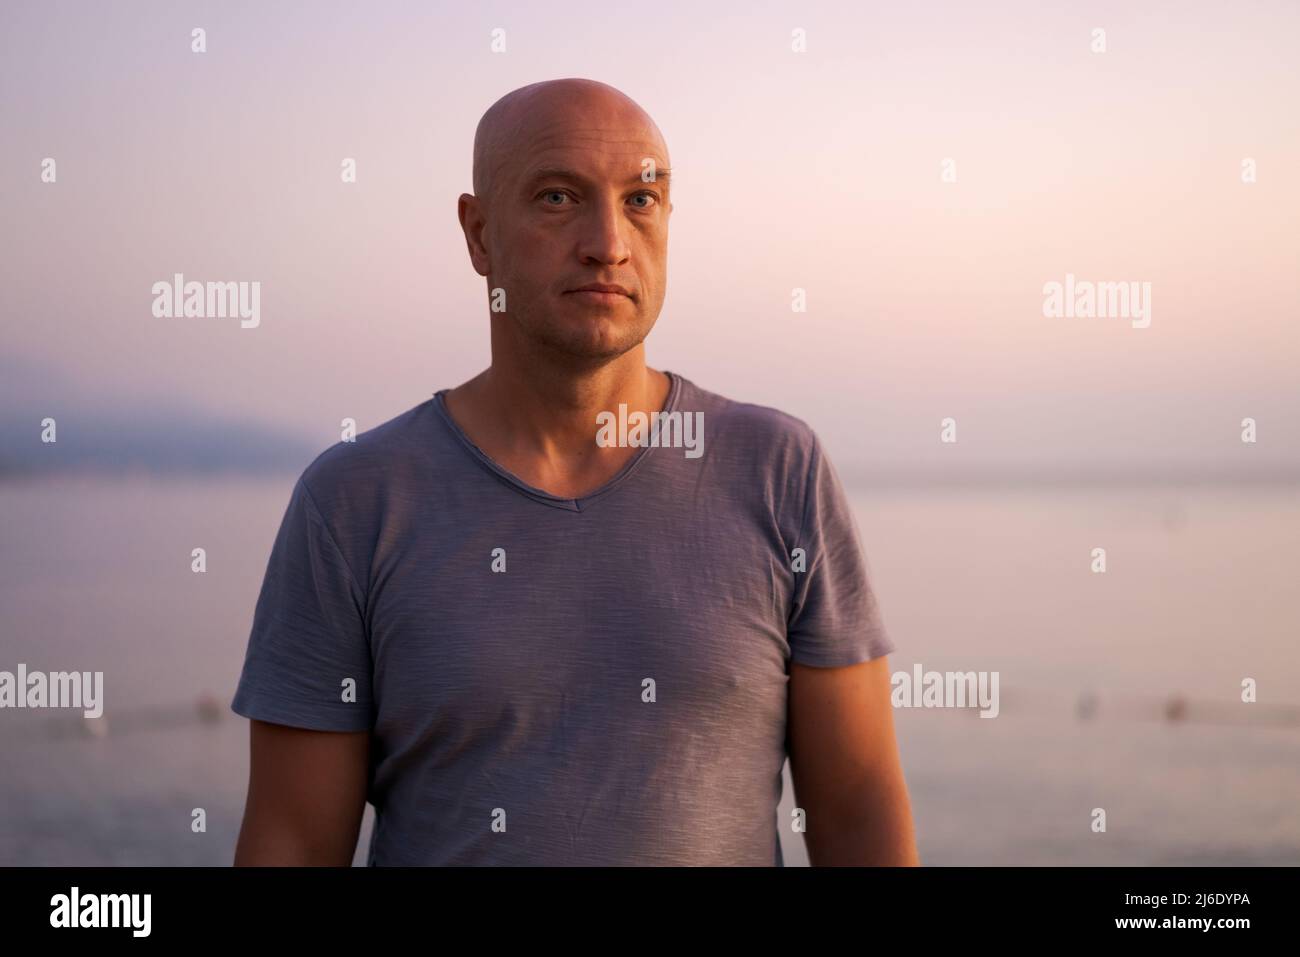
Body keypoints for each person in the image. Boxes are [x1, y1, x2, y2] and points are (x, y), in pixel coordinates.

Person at [231, 77, 918, 866]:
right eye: (558, 198)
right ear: (479, 234)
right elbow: (291, 841)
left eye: (640, 200)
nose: (609, 243)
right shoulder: (354, 503)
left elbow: (858, 810)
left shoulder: (778, 471)